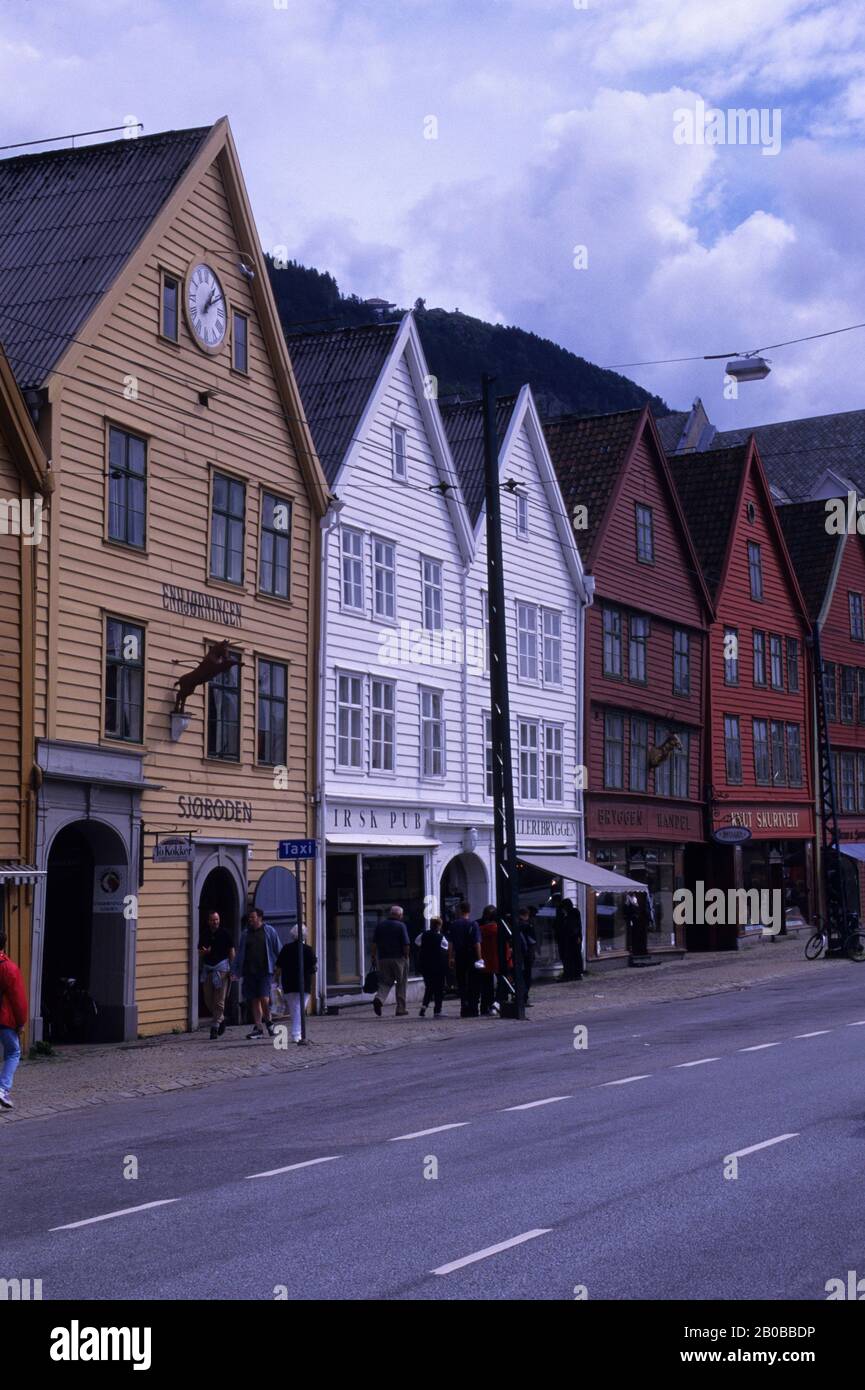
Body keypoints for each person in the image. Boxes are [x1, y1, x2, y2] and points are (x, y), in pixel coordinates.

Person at [233, 908, 281, 1039]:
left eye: (253, 917)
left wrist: (280, 965)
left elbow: (278, 949)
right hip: (249, 971)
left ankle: (269, 1022)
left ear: (260, 918)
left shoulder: (269, 931)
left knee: (264, 997)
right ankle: (259, 1027)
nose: (250, 920)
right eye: (249, 917)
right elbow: (240, 953)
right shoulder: (245, 934)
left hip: (265, 970)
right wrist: (235, 970)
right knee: (254, 999)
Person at [0, 926, 27, 1111]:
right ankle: (2, 1089)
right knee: (13, 1052)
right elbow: (18, 999)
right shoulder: (9, 968)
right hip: (4, 1018)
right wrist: (20, 1022)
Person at [275, 926, 317, 1044]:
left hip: (288, 983)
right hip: (303, 983)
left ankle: (297, 1033)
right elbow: (313, 967)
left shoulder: (286, 948)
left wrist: (276, 980)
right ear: (304, 935)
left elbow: (278, 966)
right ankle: (296, 1033)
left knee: (294, 1008)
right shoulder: (308, 950)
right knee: (299, 1008)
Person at [197, 910, 235, 1039]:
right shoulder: (205, 934)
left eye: (217, 919)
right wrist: (204, 952)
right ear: (209, 921)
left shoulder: (225, 933)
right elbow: (199, 951)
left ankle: (215, 1026)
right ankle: (221, 1018)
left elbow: (231, 951)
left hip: (222, 969)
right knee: (208, 1000)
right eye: (213, 920)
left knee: (219, 1000)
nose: (215, 922)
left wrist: (232, 968)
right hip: (208, 969)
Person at [371, 905, 410, 1017]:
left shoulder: (380, 926)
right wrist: (406, 956)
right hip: (399, 959)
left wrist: (373, 956)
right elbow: (406, 944)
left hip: (383, 958)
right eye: (401, 915)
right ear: (399, 915)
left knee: (385, 982)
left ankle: (379, 998)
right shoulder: (401, 926)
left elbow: (374, 944)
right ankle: (400, 1009)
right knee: (401, 983)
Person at [448, 901, 482, 1017]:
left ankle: (464, 1007)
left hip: (459, 956)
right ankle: (473, 1008)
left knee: (461, 982)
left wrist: (450, 958)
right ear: (469, 911)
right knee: (474, 982)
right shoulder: (473, 924)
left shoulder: (454, 925)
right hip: (471, 956)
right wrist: (479, 958)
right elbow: (477, 943)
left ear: (460, 910)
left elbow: (451, 944)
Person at [415, 916, 451, 1017]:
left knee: (429, 986)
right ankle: (437, 1010)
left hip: (425, 965)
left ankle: (424, 1006)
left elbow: (417, 942)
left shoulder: (423, 935)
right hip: (438, 965)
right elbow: (446, 947)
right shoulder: (440, 937)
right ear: (439, 926)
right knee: (439, 988)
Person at [557, 898, 584, 980]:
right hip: (573, 938)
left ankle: (572, 974)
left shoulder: (572, 913)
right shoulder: (572, 913)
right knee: (573, 956)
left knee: (572, 956)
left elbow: (573, 926)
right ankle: (574, 973)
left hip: (573, 938)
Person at [517, 908, 537, 1005]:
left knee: (520, 976)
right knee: (527, 977)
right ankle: (524, 997)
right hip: (527, 954)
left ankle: (520, 997)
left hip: (520, 955)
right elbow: (532, 941)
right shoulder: (528, 926)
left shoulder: (516, 925)